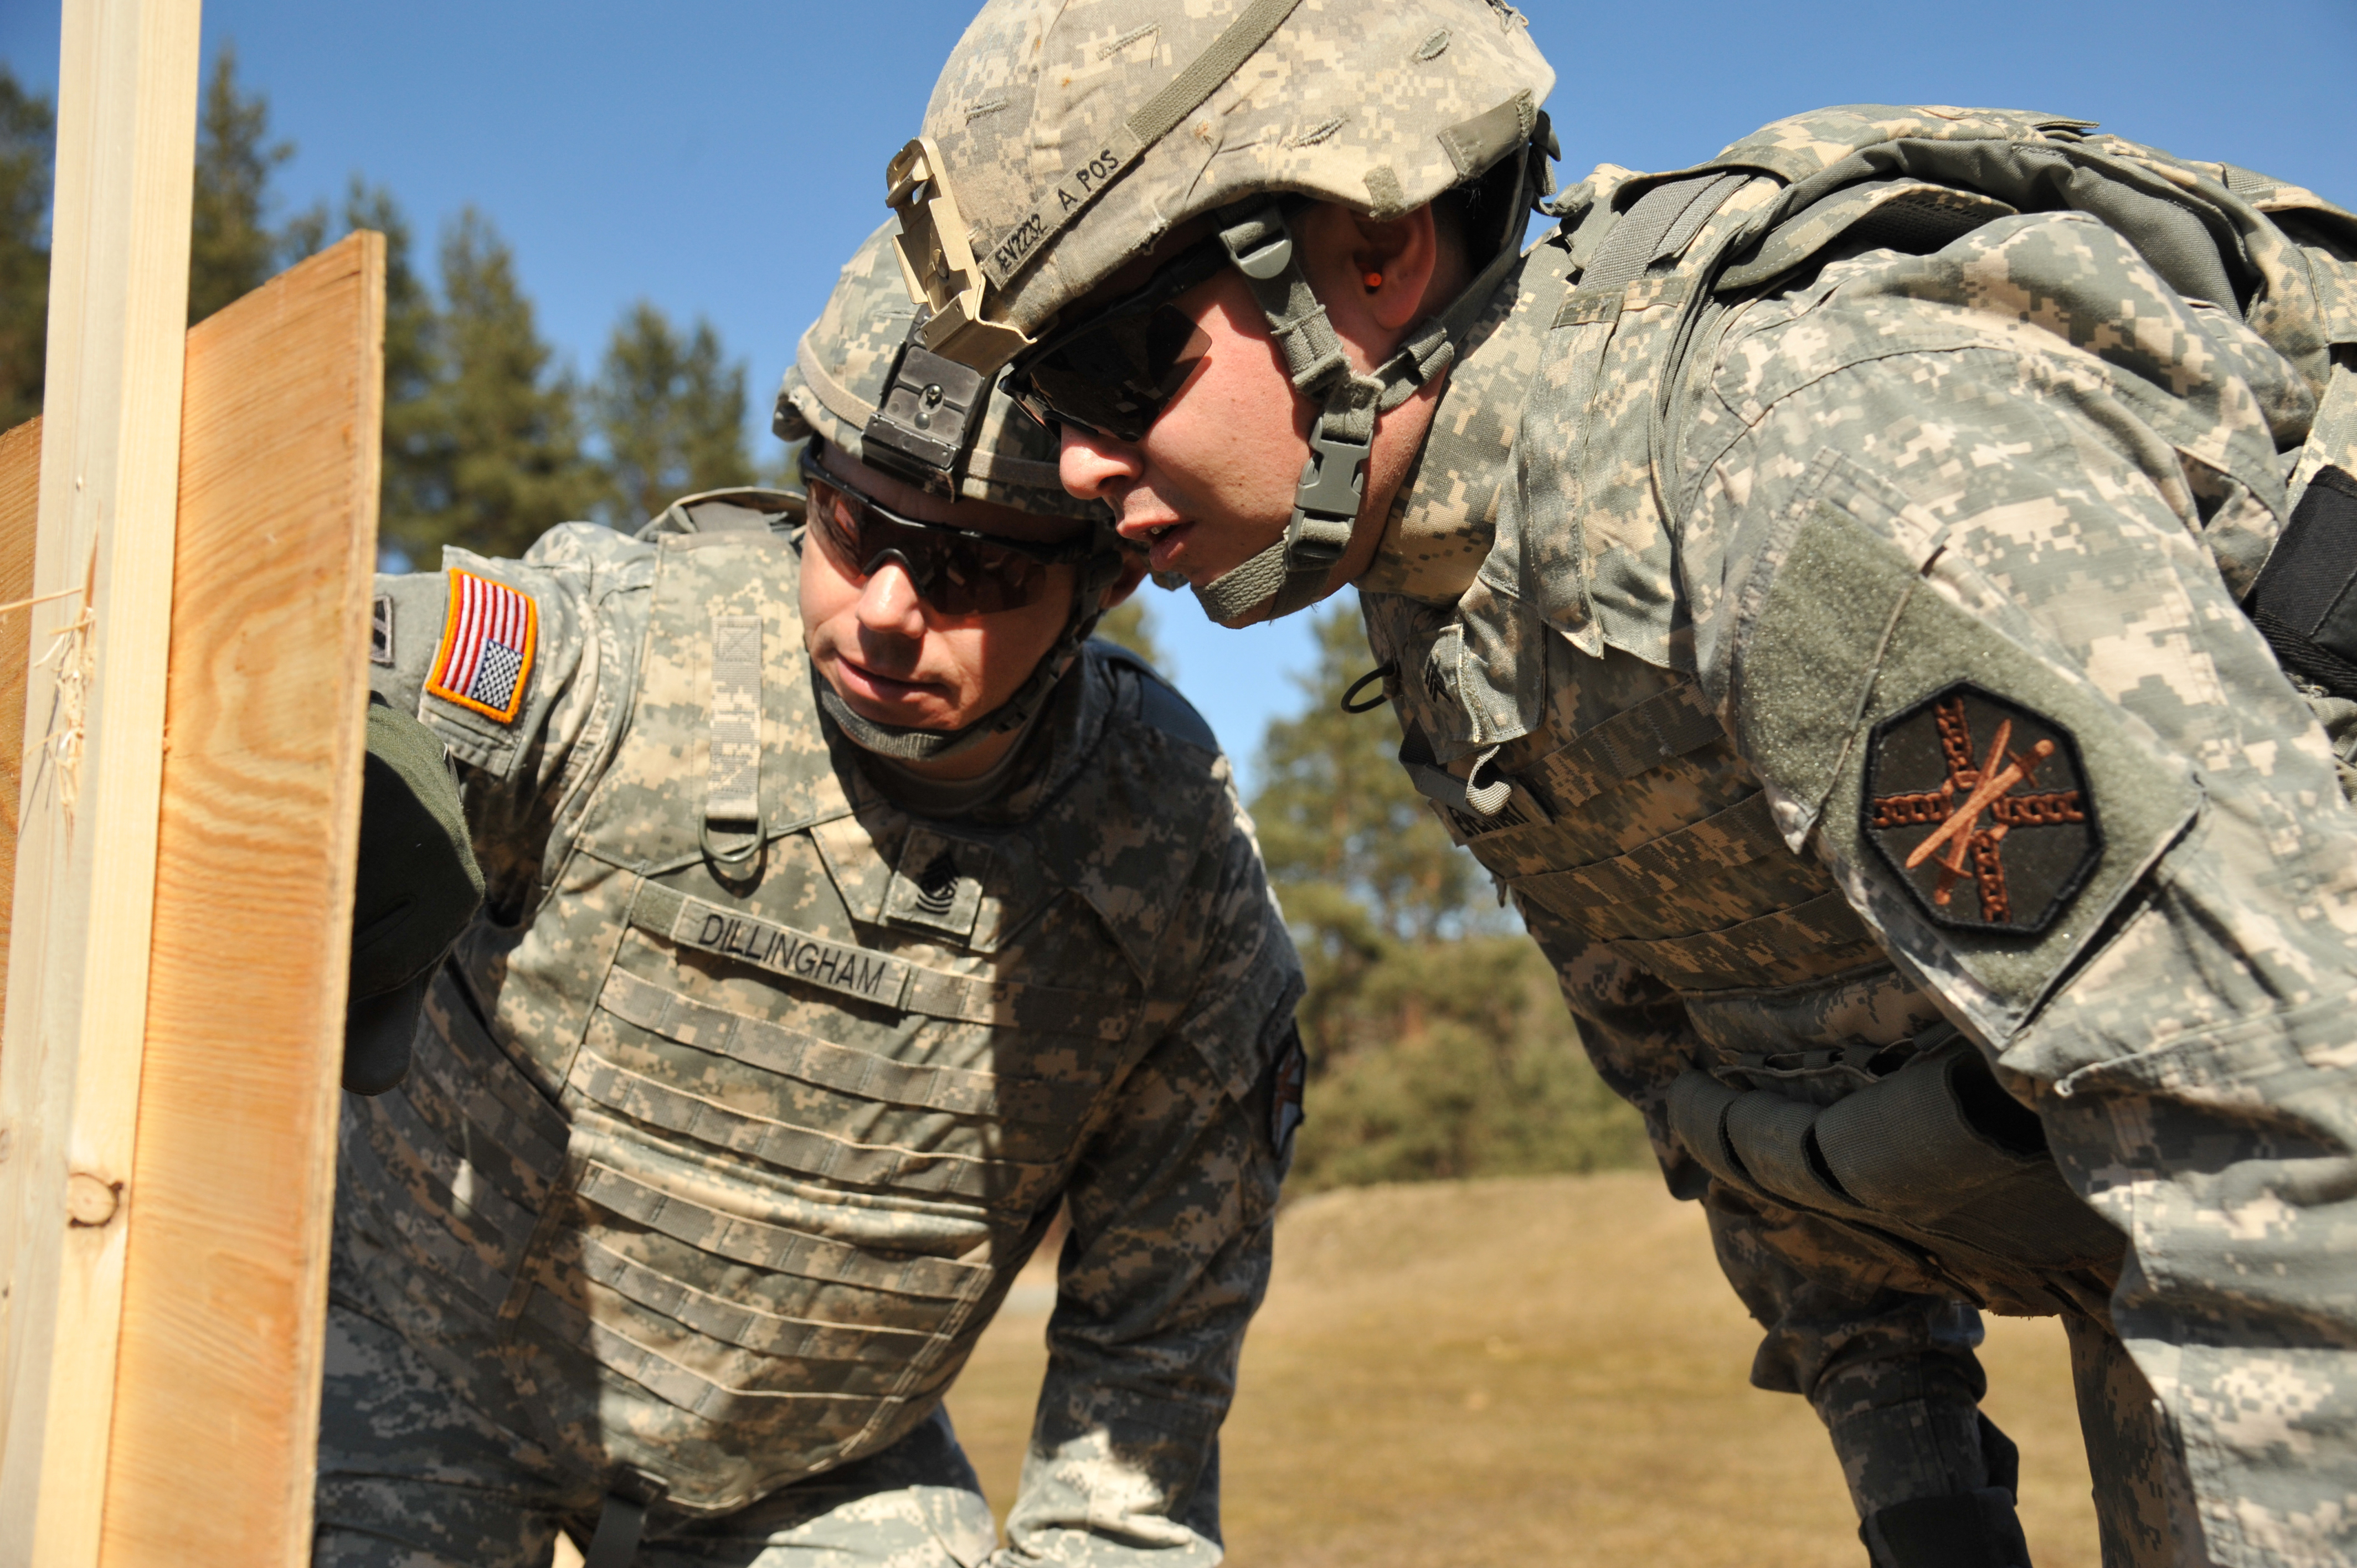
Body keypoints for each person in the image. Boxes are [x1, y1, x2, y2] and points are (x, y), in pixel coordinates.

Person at [860, 3, 2357, 1564]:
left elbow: (2268, 1117)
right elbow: (1737, 1071)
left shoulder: (1789, 459)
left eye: (1112, 371)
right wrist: (1925, 1497)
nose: (1077, 464)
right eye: (1046, 407)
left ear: (1372, 250)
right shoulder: (1455, 601)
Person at [318, 223, 1306, 1568]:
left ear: (1108, 576)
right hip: (418, 1376)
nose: (887, 607)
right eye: (851, 526)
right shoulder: (631, 657)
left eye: (975, 569)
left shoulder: (1164, 861)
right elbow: (337, 669)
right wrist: (345, 748)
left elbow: (1154, 1355)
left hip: (811, 1474)